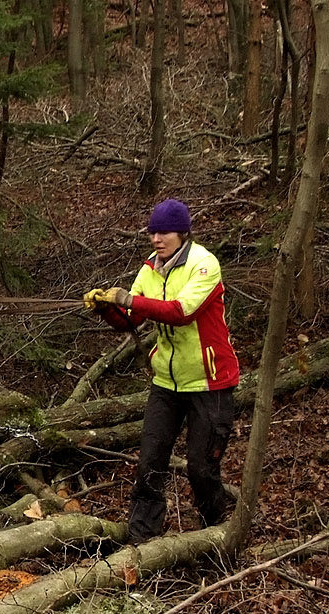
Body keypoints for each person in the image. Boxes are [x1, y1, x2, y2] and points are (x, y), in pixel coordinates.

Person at [83, 198, 240, 542]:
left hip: (209, 382)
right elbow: (131, 320)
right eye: (152, 232)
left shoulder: (204, 265)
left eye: (164, 232)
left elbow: (181, 312)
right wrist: (106, 308)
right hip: (166, 382)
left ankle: (216, 536)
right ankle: (140, 539)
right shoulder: (149, 269)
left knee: (201, 468)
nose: (157, 238)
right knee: (150, 461)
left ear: (182, 233)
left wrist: (127, 299)